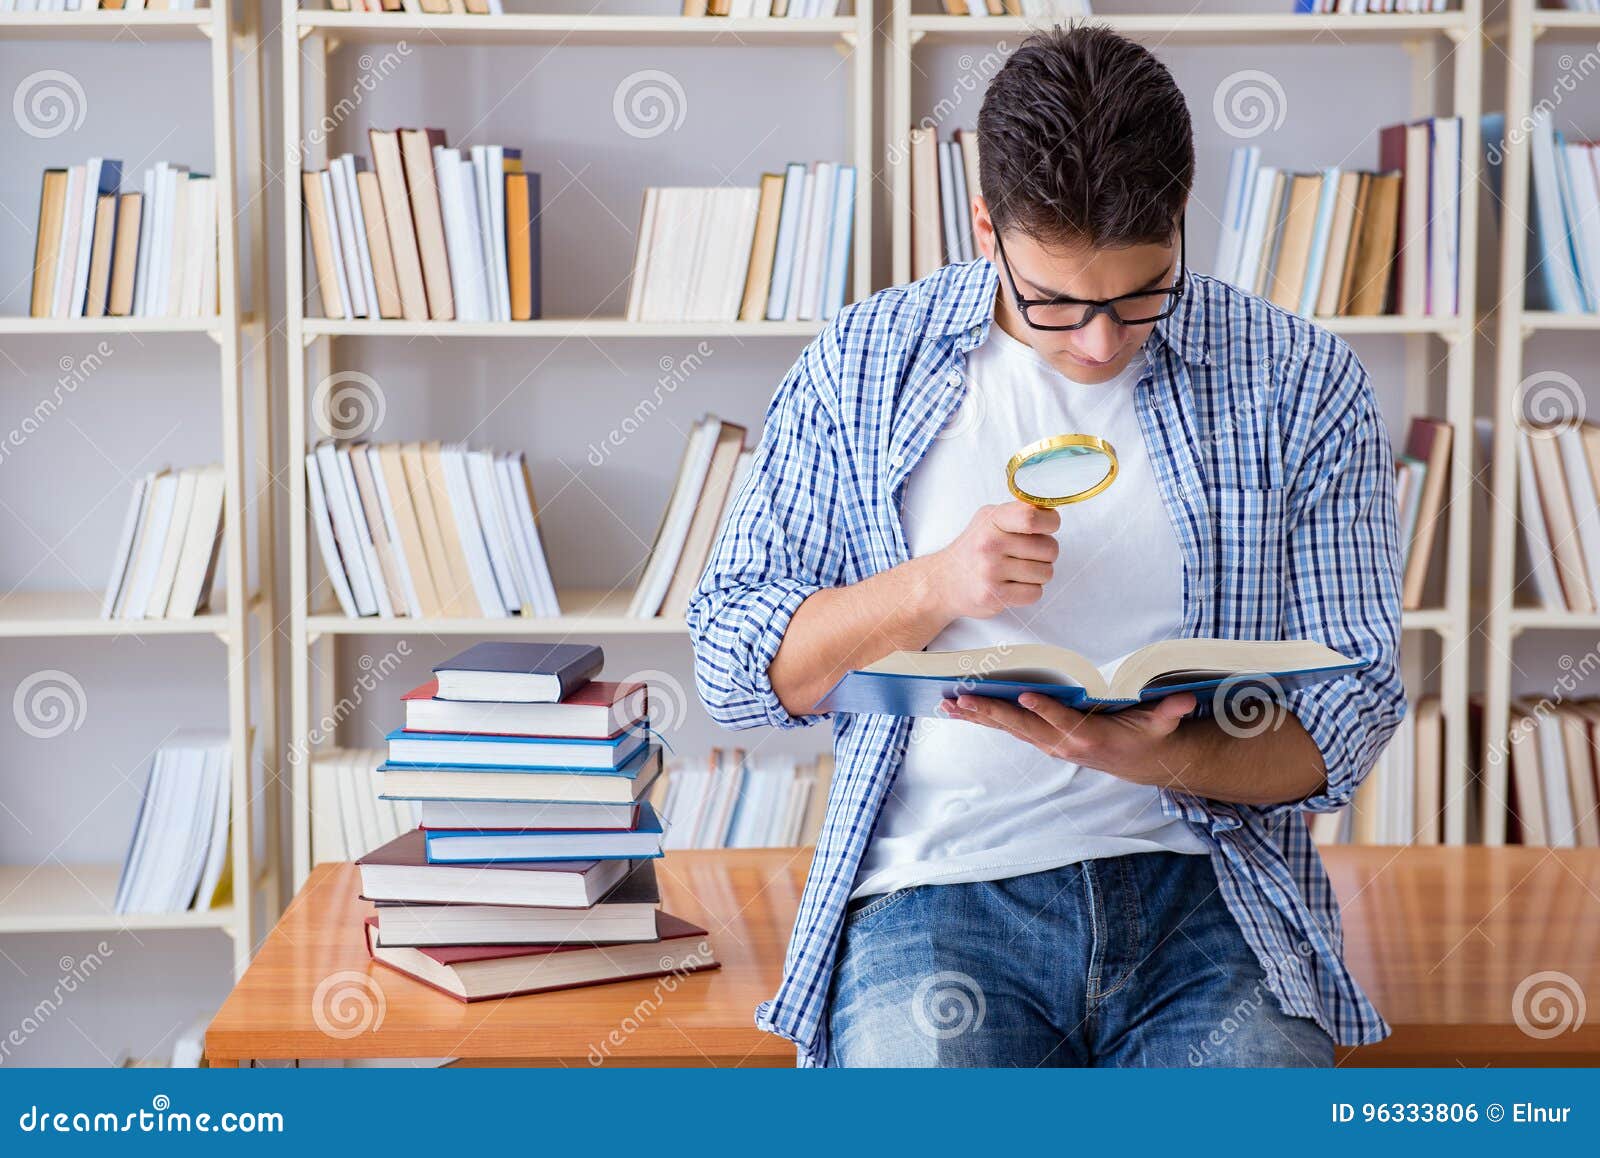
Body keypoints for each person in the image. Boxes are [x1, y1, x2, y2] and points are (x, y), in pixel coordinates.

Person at [686, 23, 1404, 1067]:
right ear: (986, 226)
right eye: (1055, 301)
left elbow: (1352, 710)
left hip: (1212, 895)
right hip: (933, 893)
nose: (1099, 343)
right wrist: (931, 587)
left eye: (1139, 292)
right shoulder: (863, 365)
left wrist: (1170, 756)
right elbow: (732, 667)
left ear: (1178, 219)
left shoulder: (1299, 381)